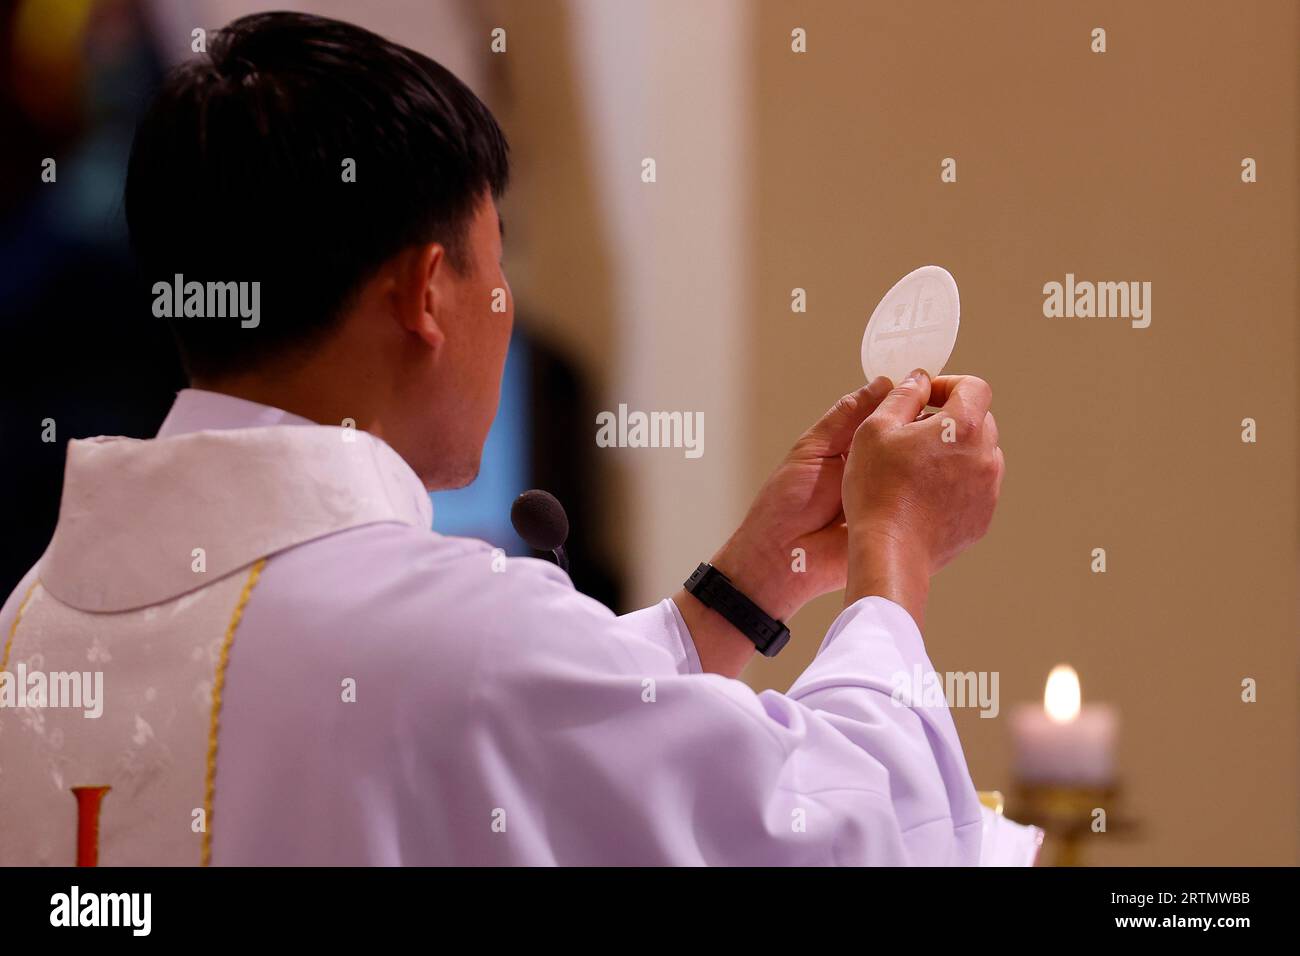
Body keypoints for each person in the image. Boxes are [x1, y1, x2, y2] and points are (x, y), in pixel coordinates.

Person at [0, 12, 1003, 866]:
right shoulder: (452, 630)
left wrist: (742, 589)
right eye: (497, 257)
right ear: (424, 291)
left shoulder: (35, 618)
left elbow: (519, 722)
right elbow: (845, 832)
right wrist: (895, 550)